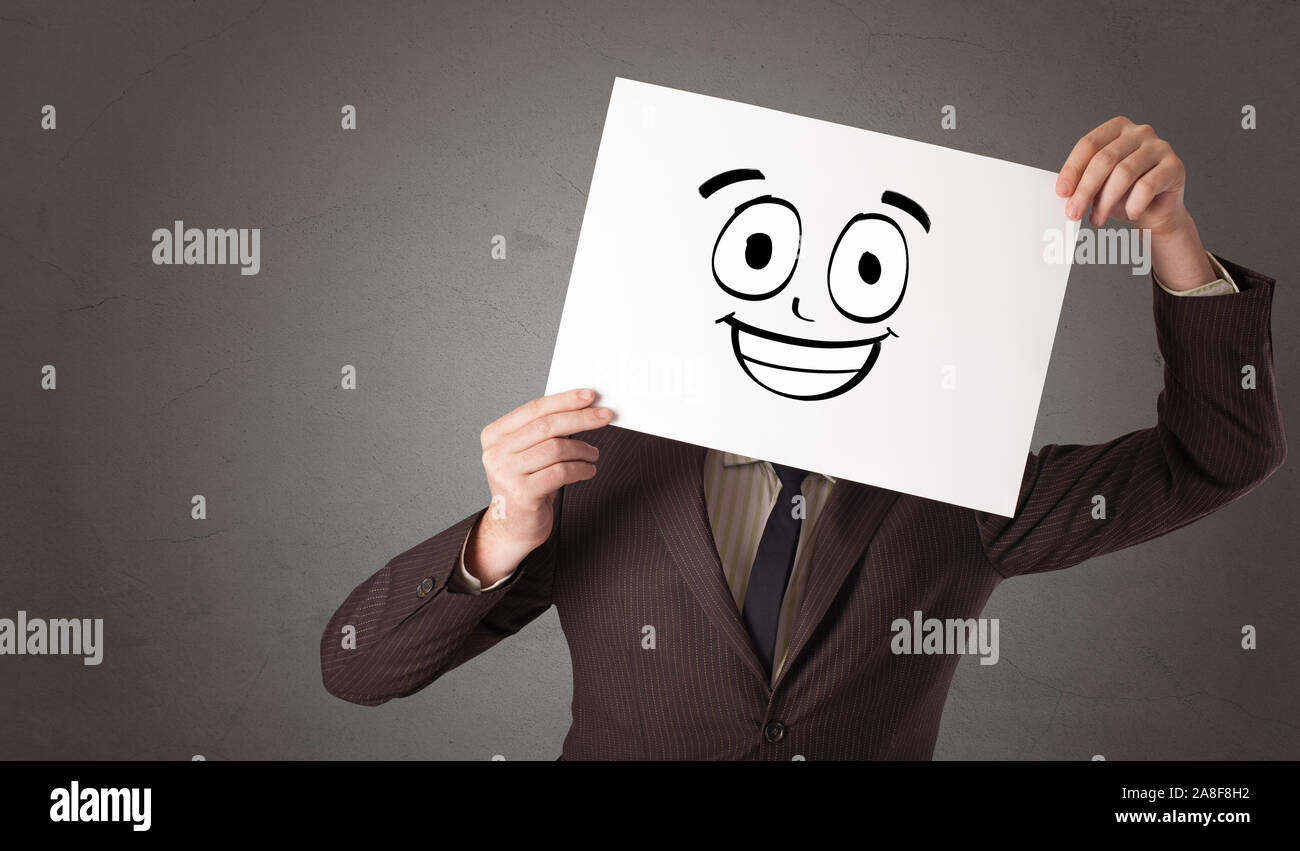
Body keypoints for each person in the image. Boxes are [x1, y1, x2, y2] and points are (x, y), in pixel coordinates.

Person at [320, 117, 1285, 759]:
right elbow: (357, 666)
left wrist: (1171, 235)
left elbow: (1217, 454)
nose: (804, 305)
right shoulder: (598, 472)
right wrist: (502, 528)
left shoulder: (963, 481)